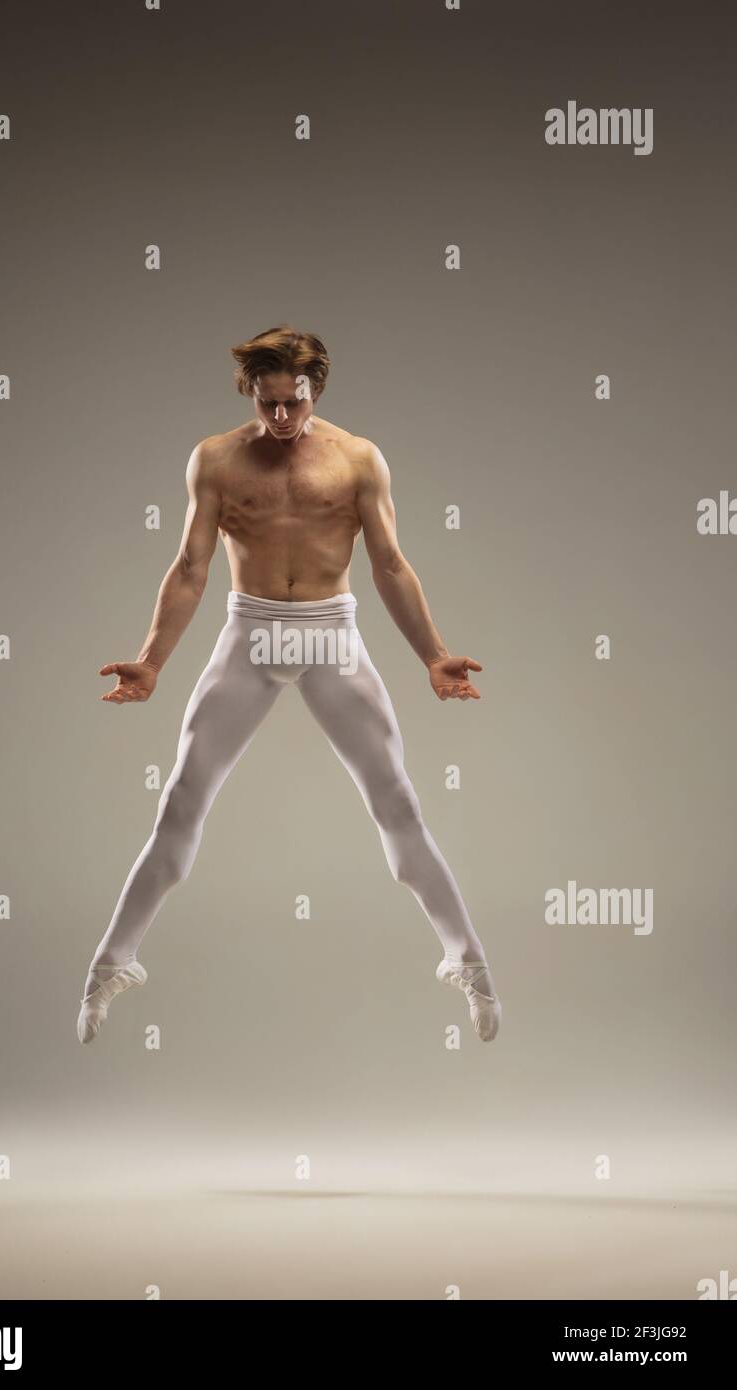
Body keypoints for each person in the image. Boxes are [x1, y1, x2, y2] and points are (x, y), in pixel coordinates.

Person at [77, 326, 501, 1045]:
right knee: (180, 799)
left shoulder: (358, 459)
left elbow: (390, 565)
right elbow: (189, 566)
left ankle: (470, 963)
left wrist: (433, 654)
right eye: (268, 403)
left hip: (331, 635)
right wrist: (152, 659)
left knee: (396, 801)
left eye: (293, 402)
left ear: (316, 390)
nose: (280, 418)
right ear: (251, 393)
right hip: (251, 634)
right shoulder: (215, 460)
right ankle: (107, 967)